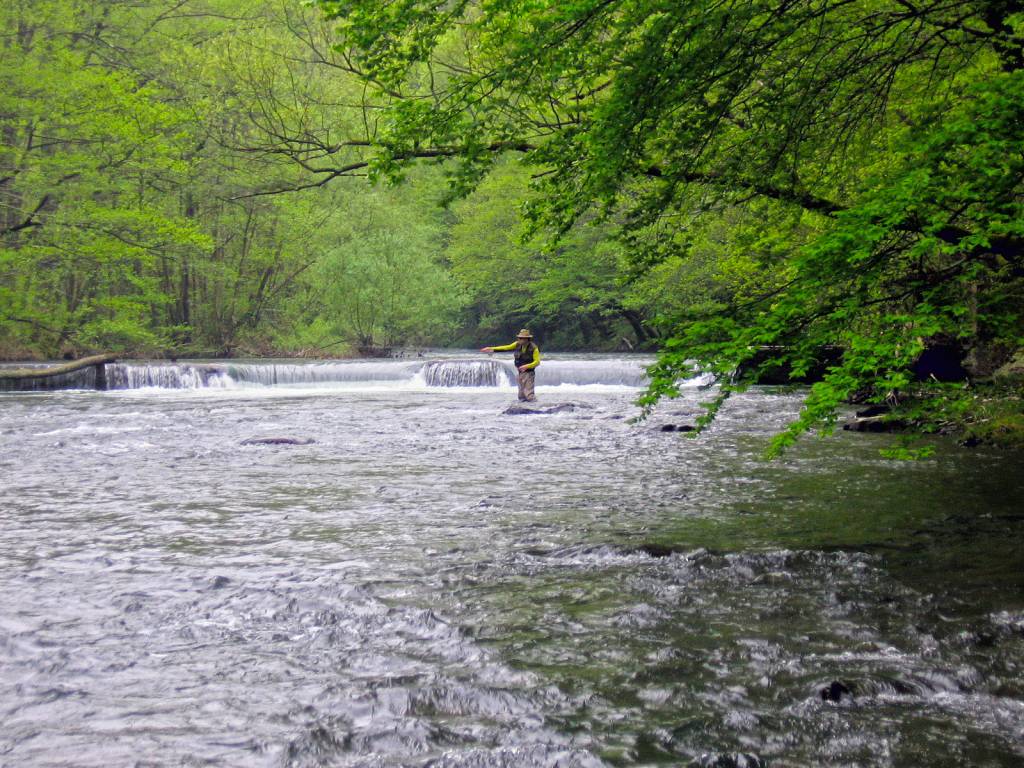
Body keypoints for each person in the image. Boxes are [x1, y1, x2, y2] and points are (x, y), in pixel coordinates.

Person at [481, 329, 540, 402]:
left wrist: (527, 366)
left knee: (529, 395)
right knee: (521, 395)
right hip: (520, 373)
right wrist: (491, 349)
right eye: (519, 338)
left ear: (527, 339)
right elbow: (506, 347)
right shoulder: (517, 344)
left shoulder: (534, 348)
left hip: (529, 373)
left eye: (521, 338)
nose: (519, 339)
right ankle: (525, 411)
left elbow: (537, 362)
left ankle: (536, 408)